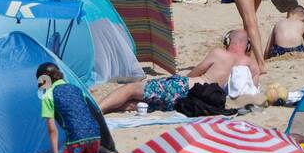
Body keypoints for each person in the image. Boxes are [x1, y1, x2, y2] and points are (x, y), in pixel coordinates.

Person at [100, 31, 260, 113]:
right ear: (247, 47)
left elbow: (194, 74)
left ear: (228, 41)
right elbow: (251, 92)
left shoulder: (220, 53)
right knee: (137, 103)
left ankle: (96, 110)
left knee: (132, 88)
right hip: (195, 102)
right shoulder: (251, 65)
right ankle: (108, 109)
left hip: (185, 88)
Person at [35, 61, 104, 153]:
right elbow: (83, 115)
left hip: (76, 144)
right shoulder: (76, 89)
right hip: (94, 137)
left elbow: (52, 130)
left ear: (45, 80)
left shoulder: (48, 96)